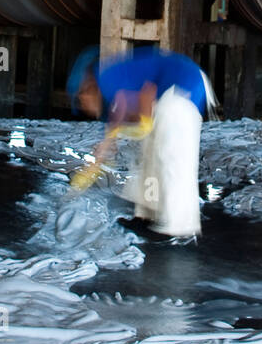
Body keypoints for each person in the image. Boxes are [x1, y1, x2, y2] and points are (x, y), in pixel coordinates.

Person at [68, 46, 213, 238]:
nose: (84, 108)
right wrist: (102, 153)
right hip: (164, 95)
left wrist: (143, 124)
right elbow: (116, 121)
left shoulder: (108, 79)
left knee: (171, 156)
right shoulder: (108, 93)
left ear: (86, 90)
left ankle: (180, 224)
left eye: (81, 102)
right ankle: (148, 212)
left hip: (183, 86)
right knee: (149, 155)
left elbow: (147, 92)